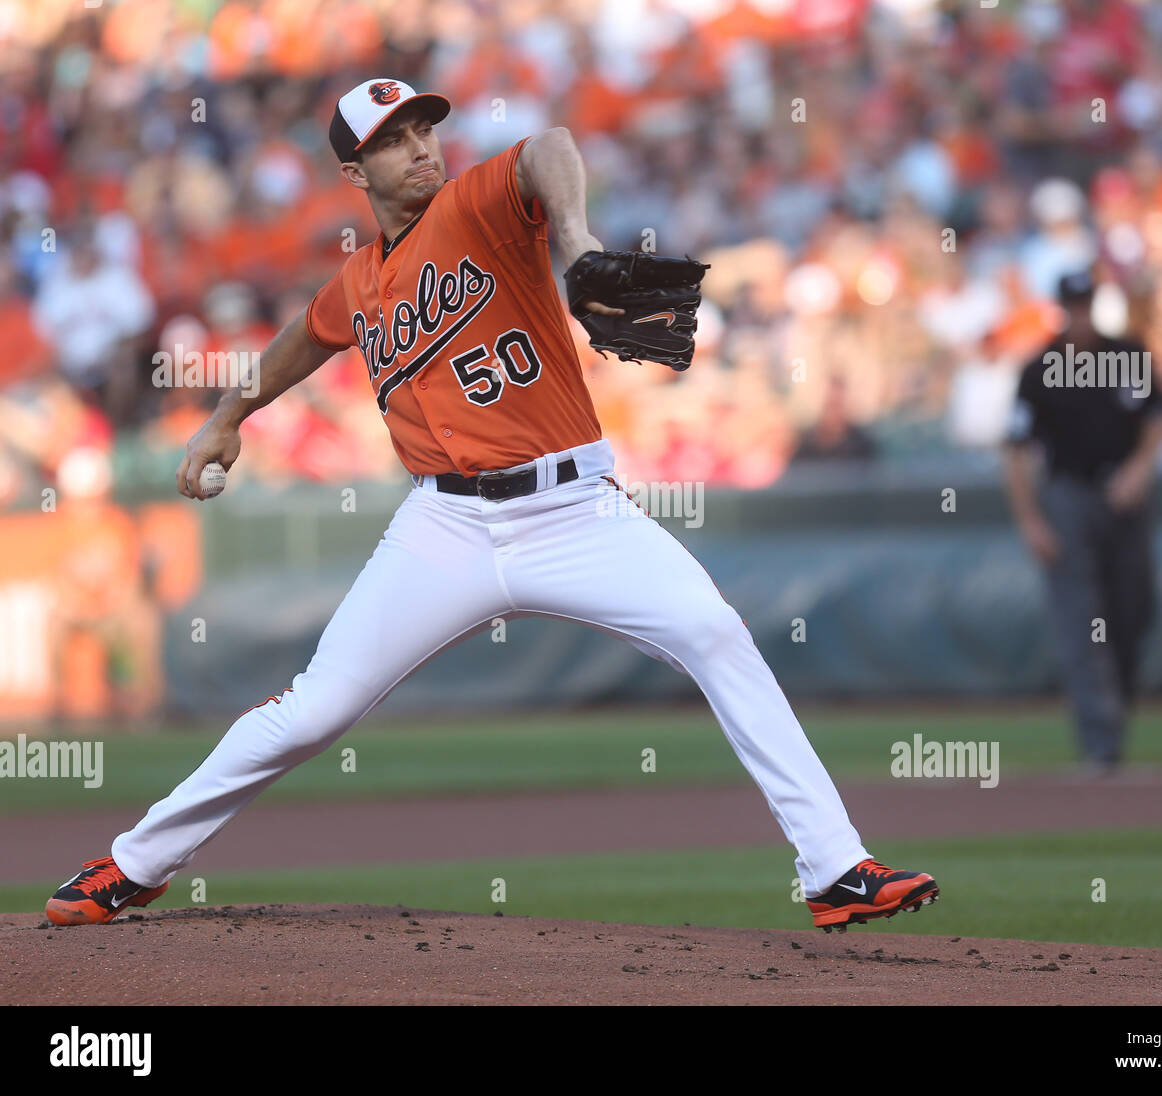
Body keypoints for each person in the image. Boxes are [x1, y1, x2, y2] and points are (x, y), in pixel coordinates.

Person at [46, 79, 938, 932]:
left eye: (423, 128)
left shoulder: (475, 205)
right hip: (445, 527)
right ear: (354, 176)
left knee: (715, 634)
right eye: (392, 141)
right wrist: (230, 413)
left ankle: (833, 869)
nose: (418, 146)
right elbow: (309, 334)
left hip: (574, 507)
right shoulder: (360, 282)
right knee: (313, 712)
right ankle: (135, 863)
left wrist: (580, 244)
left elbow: (548, 146)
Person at [1002, 270, 1162, 774]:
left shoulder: (1127, 354)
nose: (1079, 315)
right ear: (1060, 308)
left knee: (1134, 612)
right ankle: (1100, 743)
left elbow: (1160, 416)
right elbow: (1013, 451)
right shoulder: (1038, 369)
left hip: (1124, 497)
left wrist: (1139, 469)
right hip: (1069, 496)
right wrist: (1031, 520)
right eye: (1072, 305)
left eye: (1086, 304)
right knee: (1082, 620)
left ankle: (1113, 721)